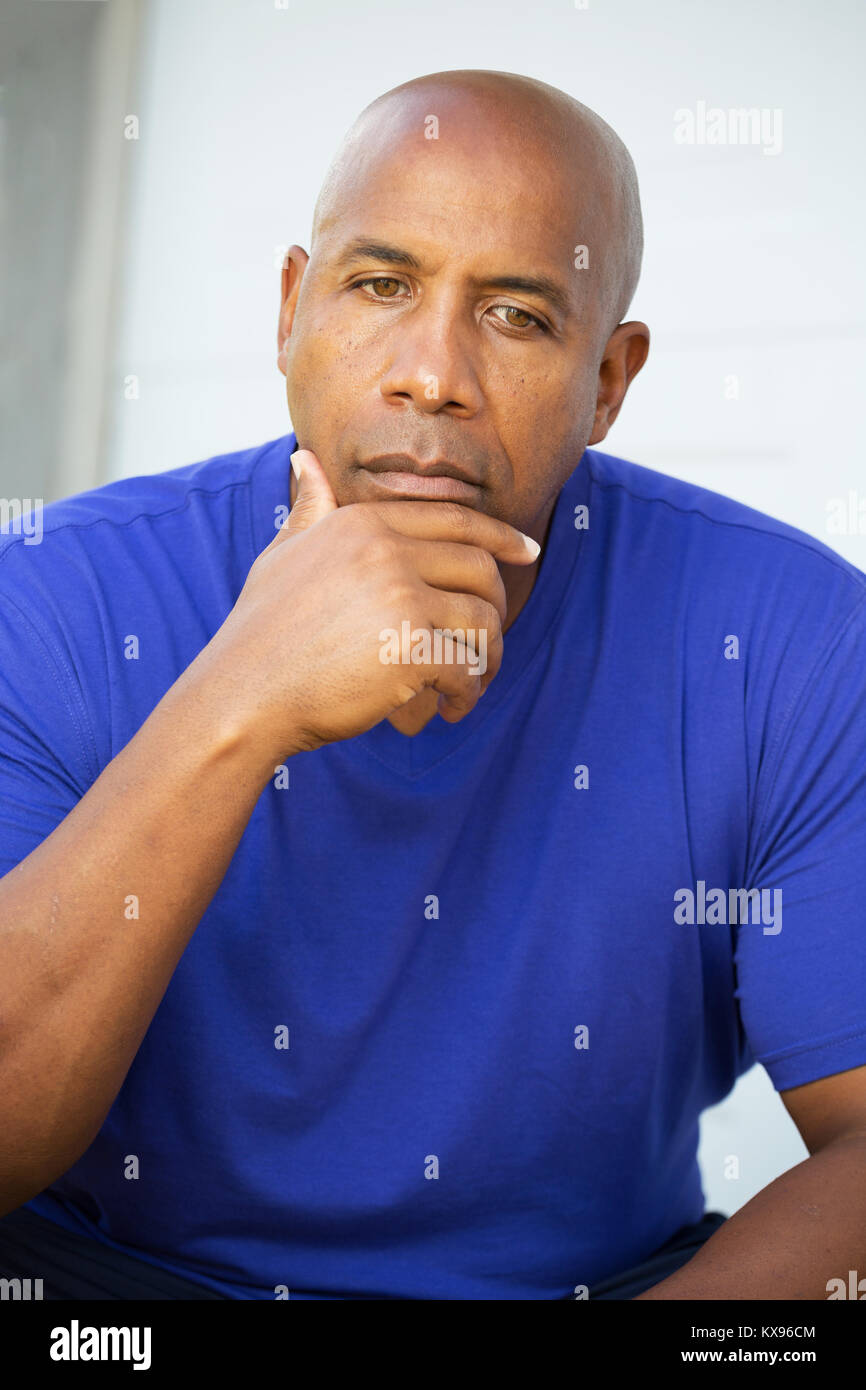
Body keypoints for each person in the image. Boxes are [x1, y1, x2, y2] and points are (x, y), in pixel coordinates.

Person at [0, 69, 864, 1302]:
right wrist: (241, 699)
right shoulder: (50, 597)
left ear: (608, 380)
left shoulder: (792, 639)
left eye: (515, 315)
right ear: (293, 309)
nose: (430, 374)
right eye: (379, 285)